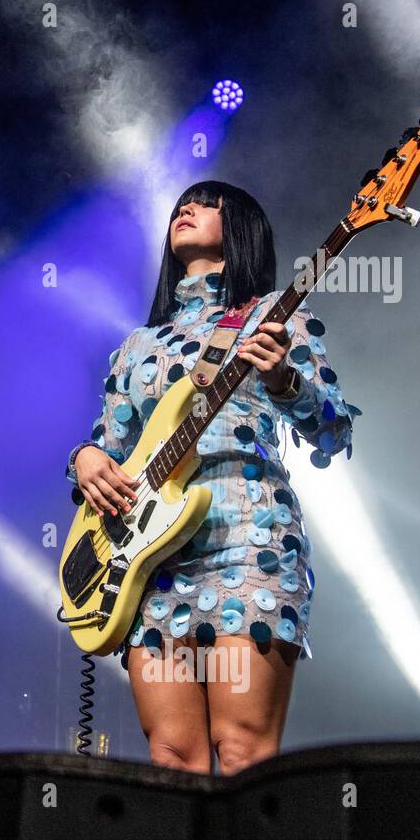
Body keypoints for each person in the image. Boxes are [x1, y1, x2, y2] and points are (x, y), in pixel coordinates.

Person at [65, 181, 358, 775]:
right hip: (147, 558)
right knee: (173, 758)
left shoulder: (278, 315)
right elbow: (111, 445)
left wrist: (285, 382)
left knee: (243, 747)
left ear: (241, 226)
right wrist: (85, 459)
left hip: (249, 542)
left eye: (205, 202)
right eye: (180, 203)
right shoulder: (137, 347)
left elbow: (334, 433)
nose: (185, 208)